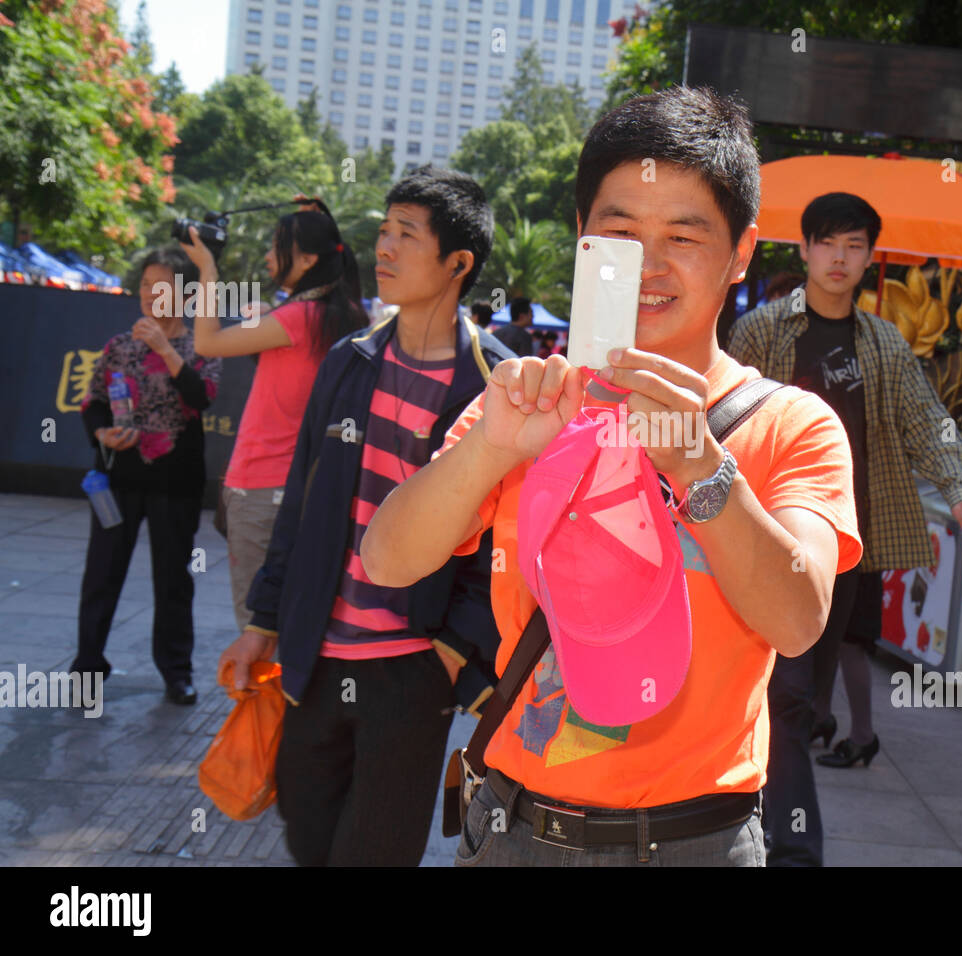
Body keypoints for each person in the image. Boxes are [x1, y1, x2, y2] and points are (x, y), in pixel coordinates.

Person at [361, 86, 862, 868]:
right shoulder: (528, 402)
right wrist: (493, 448)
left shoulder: (791, 424)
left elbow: (798, 621)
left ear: (740, 253)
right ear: (582, 236)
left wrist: (700, 463)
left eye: (685, 238)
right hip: (515, 829)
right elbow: (387, 559)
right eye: (620, 232)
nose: (650, 266)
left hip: (696, 840)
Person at [218, 166, 513, 866]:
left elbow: (505, 541)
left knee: (375, 854)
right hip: (314, 657)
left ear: (458, 263)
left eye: (406, 235)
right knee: (309, 835)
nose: (383, 248)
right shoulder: (349, 363)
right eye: (383, 231)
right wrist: (264, 623)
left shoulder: (497, 382)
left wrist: (448, 654)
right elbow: (304, 499)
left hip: (410, 672)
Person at [728, 191, 962, 867]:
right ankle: (792, 846)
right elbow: (721, 414)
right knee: (784, 696)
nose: (839, 258)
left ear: (869, 259)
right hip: (769, 535)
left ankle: (749, 816)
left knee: (802, 702)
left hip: (847, 546)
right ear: (806, 250)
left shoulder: (883, 341)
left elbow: (925, 418)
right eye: (827, 244)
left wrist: (958, 486)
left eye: (854, 246)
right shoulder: (762, 330)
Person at [185, 203, 367, 634]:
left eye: (278, 246)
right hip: (301, 488)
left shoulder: (297, 318)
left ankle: (260, 701)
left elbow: (207, 342)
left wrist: (207, 267)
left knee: (256, 627)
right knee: (289, 623)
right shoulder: (340, 318)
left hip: (262, 486)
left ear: (307, 260)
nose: (269, 256)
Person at [74, 246, 222, 704]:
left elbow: (201, 397)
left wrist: (163, 347)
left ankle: (176, 671)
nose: (148, 295)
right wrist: (102, 431)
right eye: (143, 285)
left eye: (160, 287)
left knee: (172, 578)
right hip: (118, 478)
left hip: (174, 481)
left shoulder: (203, 345)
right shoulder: (120, 346)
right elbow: (93, 400)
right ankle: (87, 669)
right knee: (102, 573)